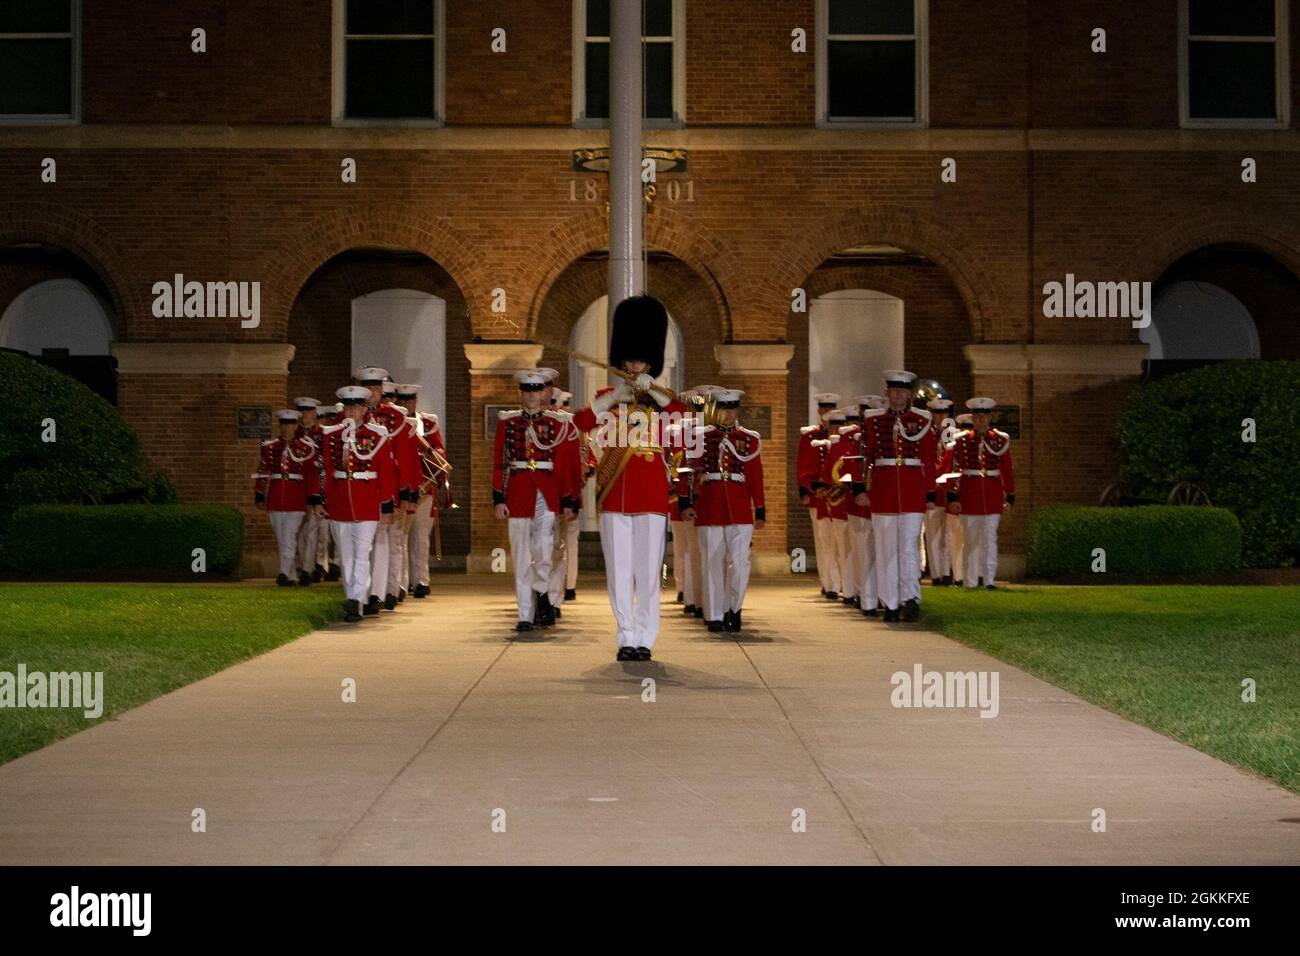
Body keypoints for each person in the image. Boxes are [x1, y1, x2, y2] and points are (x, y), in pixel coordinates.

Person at [571, 295, 687, 662]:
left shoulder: (662, 399)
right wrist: (614, 398)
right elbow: (581, 424)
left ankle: (646, 636)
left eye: (640, 359)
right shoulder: (609, 396)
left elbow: (685, 416)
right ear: (622, 360)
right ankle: (625, 635)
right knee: (619, 571)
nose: (634, 365)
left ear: (649, 360)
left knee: (648, 573)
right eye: (630, 359)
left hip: (651, 495)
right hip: (615, 493)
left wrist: (651, 389)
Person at [493, 370, 581, 632]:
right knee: (520, 554)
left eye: (536, 390)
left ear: (544, 393)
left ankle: (542, 592)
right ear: (521, 394)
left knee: (544, 550)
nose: (531, 396)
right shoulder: (507, 423)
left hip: (547, 490)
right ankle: (525, 613)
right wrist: (498, 496)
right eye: (526, 391)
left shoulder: (557, 423)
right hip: (518, 490)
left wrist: (569, 499)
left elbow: (566, 465)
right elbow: (500, 461)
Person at [850, 371, 937, 622]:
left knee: (909, 549)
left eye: (903, 391)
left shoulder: (921, 421)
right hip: (883, 490)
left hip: (912, 491)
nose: (898, 395)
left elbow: (929, 459)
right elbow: (861, 456)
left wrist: (930, 492)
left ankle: (910, 599)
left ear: (909, 394)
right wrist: (859, 489)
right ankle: (889, 602)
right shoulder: (872, 421)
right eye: (894, 391)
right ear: (887, 393)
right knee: (886, 550)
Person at [682, 389, 764, 632]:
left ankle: (734, 609)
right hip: (709, 504)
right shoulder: (700, 436)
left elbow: (755, 475)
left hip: (739, 507)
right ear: (715, 411)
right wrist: (685, 502)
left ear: (737, 410)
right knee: (711, 562)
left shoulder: (749, 439)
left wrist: (759, 508)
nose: (727, 414)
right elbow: (689, 471)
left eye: (732, 409)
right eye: (723, 409)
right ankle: (714, 614)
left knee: (739, 563)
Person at [319, 385, 398, 622]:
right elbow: (327, 471)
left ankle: (355, 600)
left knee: (363, 553)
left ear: (365, 410)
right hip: (340, 502)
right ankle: (356, 598)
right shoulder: (331, 436)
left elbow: (386, 472)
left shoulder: (378, 435)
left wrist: (386, 505)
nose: (353, 412)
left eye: (357, 407)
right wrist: (323, 501)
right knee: (346, 556)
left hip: (367, 501)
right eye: (349, 407)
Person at [356, 367, 412, 614]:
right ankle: (367, 591)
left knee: (385, 540)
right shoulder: (352, 416)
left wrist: (407, 494)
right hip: (361, 487)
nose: (372, 393)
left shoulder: (395, 417)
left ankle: (382, 591)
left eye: (376, 389)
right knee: (363, 542)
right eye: (368, 388)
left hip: (388, 486)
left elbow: (406, 456)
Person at [948, 397, 1015, 589]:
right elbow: (954, 468)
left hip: (992, 493)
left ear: (990, 417)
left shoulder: (1000, 440)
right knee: (970, 539)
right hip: (970, 493)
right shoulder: (962, 440)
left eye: (984, 416)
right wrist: (953, 495)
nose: (981, 420)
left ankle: (989, 580)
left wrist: (1010, 495)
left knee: (990, 539)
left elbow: (1007, 469)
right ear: (973, 417)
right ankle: (970, 580)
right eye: (977, 416)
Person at [253, 409, 321, 587]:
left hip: (296, 498)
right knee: (281, 537)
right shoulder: (270, 447)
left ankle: (282, 573)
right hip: (275, 496)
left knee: (289, 536)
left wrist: (313, 499)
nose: (286, 428)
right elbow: (263, 471)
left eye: (290, 424)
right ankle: (291, 575)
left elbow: (311, 475)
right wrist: (259, 493)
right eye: (283, 424)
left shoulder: (306, 448)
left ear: (296, 426)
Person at [400, 387, 450, 600]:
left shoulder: (427, 423)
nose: (407, 404)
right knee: (400, 536)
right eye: (403, 400)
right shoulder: (394, 424)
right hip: (403, 488)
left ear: (415, 401)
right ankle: (400, 583)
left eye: (410, 400)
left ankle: (421, 580)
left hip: (424, 485)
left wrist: (430, 452)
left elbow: (440, 451)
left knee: (421, 537)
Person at [798, 393, 841, 598]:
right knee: (824, 541)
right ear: (819, 411)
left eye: (831, 409)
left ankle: (841, 582)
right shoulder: (811, 436)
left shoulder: (843, 433)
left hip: (840, 492)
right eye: (824, 409)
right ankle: (829, 583)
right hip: (818, 494)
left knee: (840, 540)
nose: (827, 413)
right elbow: (803, 466)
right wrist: (807, 491)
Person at [810, 407, 850, 601]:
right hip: (824, 501)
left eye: (840, 427)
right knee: (827, 545)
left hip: (843, 502)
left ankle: (845, 584)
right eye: (833, 427)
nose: (836, 431)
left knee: (844, 547)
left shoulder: (846, 447)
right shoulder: (819, 444)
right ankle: (831, 584)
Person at [292, 397, 325, 585]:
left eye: (307, 411)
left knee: (312, 530)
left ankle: (308, 568)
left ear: (314, 413)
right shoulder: (294, 434)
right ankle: (304, 564)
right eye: (302, 412)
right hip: (298, 487)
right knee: (300, 530)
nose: (305, 415)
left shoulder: (322, 434)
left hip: (316, 486)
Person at [924, 398, 955, 587]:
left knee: (949, 535)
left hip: (948, 490)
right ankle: (936, 574)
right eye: (937, 414)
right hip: (933, 490)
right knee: (934, 534)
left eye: (944, 414)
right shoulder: (926, 435)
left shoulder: (954, 436)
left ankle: (947, 571)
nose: (941, 418)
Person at [313, 403, 343, 581]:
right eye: (328, 418)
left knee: (338, 532)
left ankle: (337, 564)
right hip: (325, 491)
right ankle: (321, 564)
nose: (331, 421)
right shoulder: (322, 439)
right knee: (323, 533)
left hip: (338, 491)